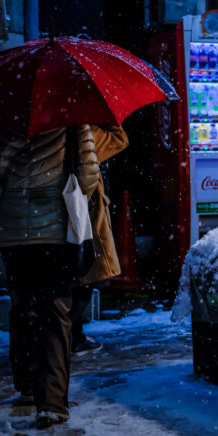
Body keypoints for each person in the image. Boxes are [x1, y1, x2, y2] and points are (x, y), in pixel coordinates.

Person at [0, 124, 110, 428]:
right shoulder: (73, 122)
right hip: (55, 234)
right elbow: (88, 176)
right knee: (57, 315)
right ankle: (53, 404)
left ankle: (27, 385)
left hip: (13, 235)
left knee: (23, 309)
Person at [69, 126, 129, 354]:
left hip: (49, 217)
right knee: (87, 275)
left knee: (68, 280)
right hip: (81, 214)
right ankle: (68, 334)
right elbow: (119, 139)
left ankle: (70, 334)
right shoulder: (84, 132)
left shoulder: (40, 136)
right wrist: (108, 120)